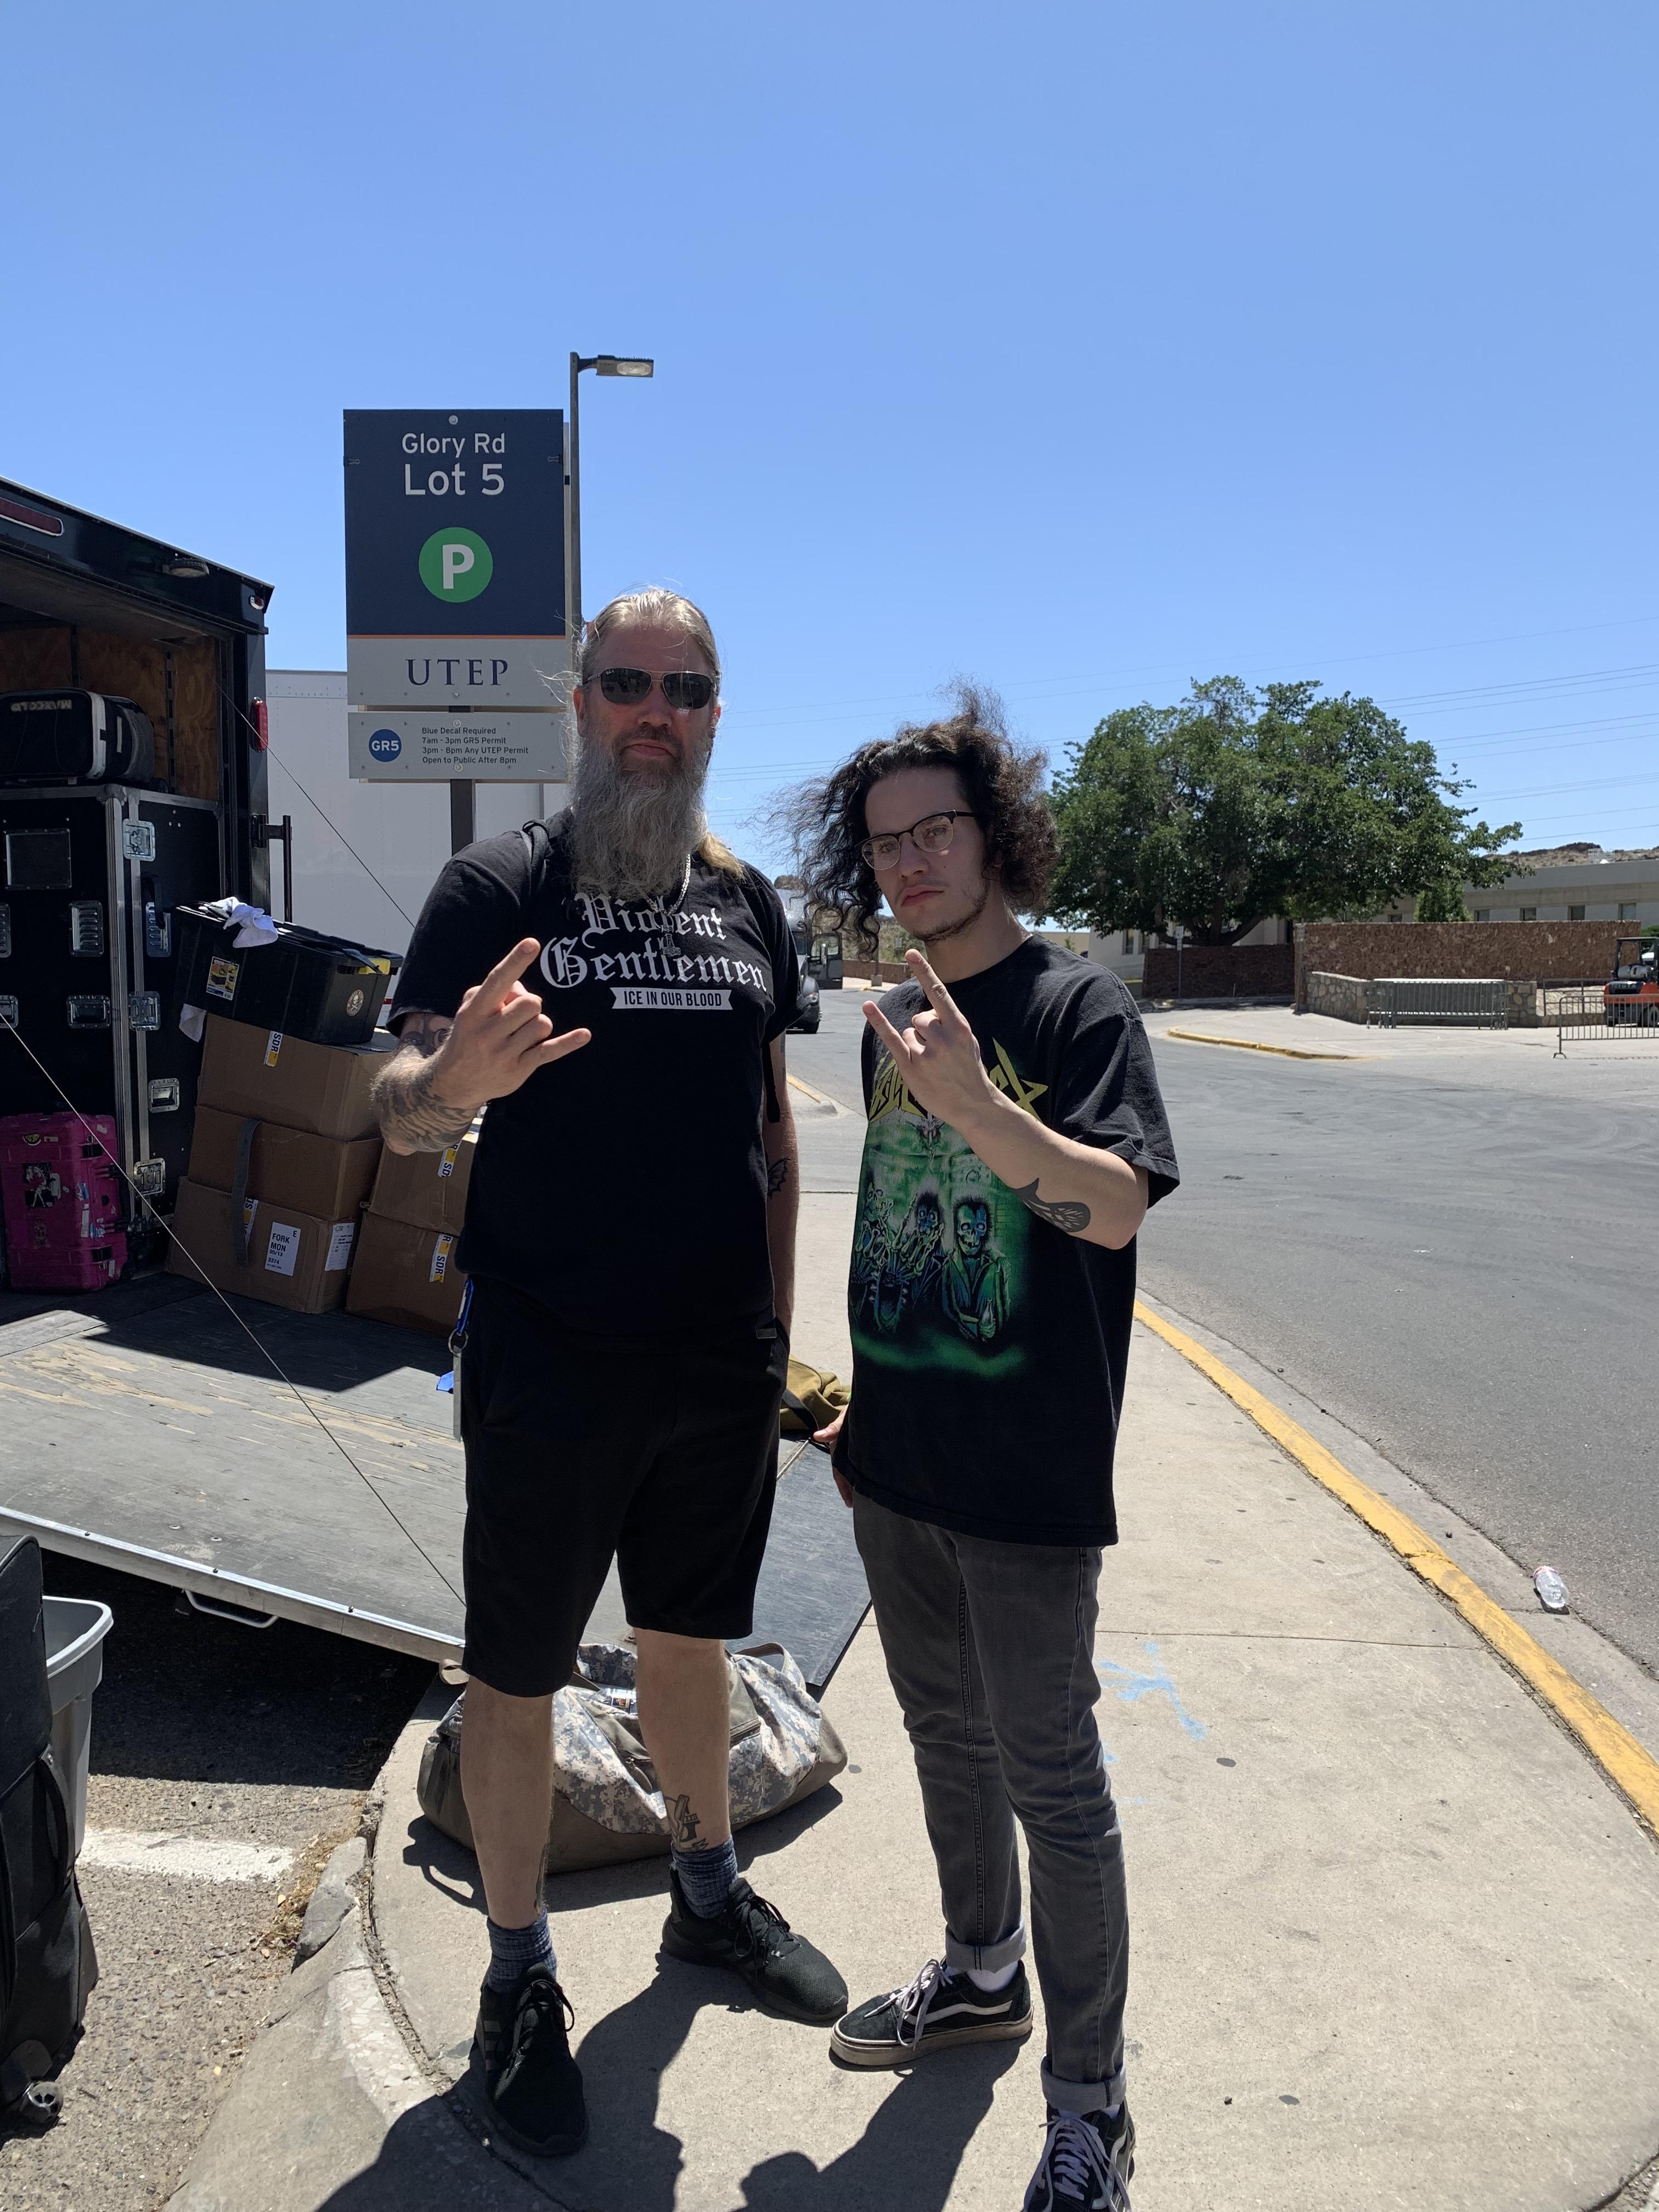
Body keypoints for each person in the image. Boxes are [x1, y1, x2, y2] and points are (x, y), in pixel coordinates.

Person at [372, 589, 847, 2160]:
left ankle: (705, 1899)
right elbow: (394, 1105)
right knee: (517, 1675)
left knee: (691, 1646)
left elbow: (771, 1134)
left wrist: (777, 1339)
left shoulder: (748, 903)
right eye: (628, 682)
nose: (657, 709)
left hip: (717, 1363)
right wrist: (451, 1082)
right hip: (550, 1355)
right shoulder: (497, 884)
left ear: (716, 717)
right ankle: (517, 1981)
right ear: (579, 705)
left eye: (687, 688)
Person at [797, 689, 1178, 2212]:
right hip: (898, 1468)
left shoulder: (1078, 1009)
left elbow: (1116, 1203)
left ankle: (1090, 2101)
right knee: (946, 1743)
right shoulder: (895, 1014)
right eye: (885, 844)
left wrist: (971, 1097)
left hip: (1027, 1484)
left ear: (996, 834)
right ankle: (977, 1972)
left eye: (935, 830)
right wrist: (859, 1413)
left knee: (1055, 1781)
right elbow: (903, 1223)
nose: (909, 863)